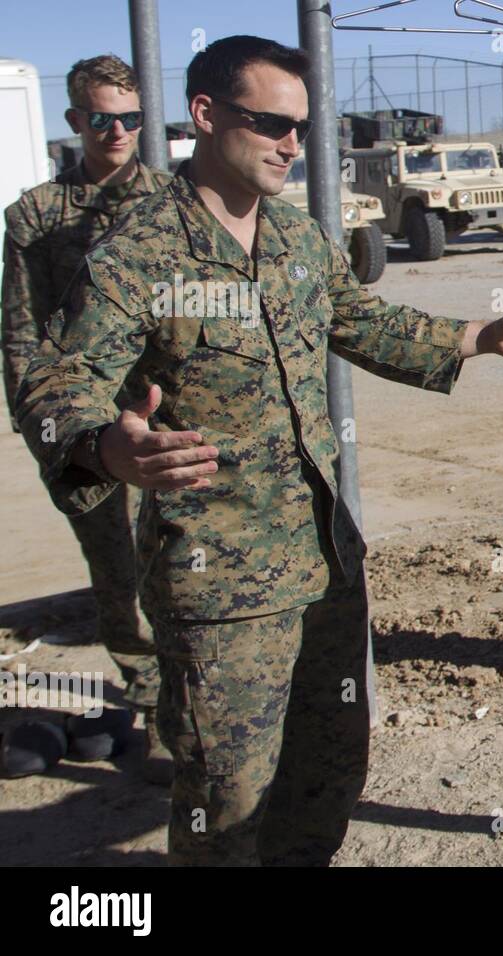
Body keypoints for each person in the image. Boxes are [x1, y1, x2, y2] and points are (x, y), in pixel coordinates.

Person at [15, 35, 503, 865]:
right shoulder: (138, 253)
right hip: (221, 590)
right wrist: (106, 446)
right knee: (226, 803)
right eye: (271, 122)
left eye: (304, 127)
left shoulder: (296, 237)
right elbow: (56, 384)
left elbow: (363, 321)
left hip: (324, 567)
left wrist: (480, 336)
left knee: (328, 773)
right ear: (205, 115)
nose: (291, 143)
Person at [2, 54, 172, 782]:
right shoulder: (36, 217)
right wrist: (45, 432)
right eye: (103, 118)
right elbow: (20, 333)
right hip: (86, 429)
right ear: (76, 120)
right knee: (118, 576)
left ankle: (190, 714)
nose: (119, 131)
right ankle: (151, 703)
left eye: (131, 118)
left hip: (169, 416)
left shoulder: (175, 201)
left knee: (181, 567)